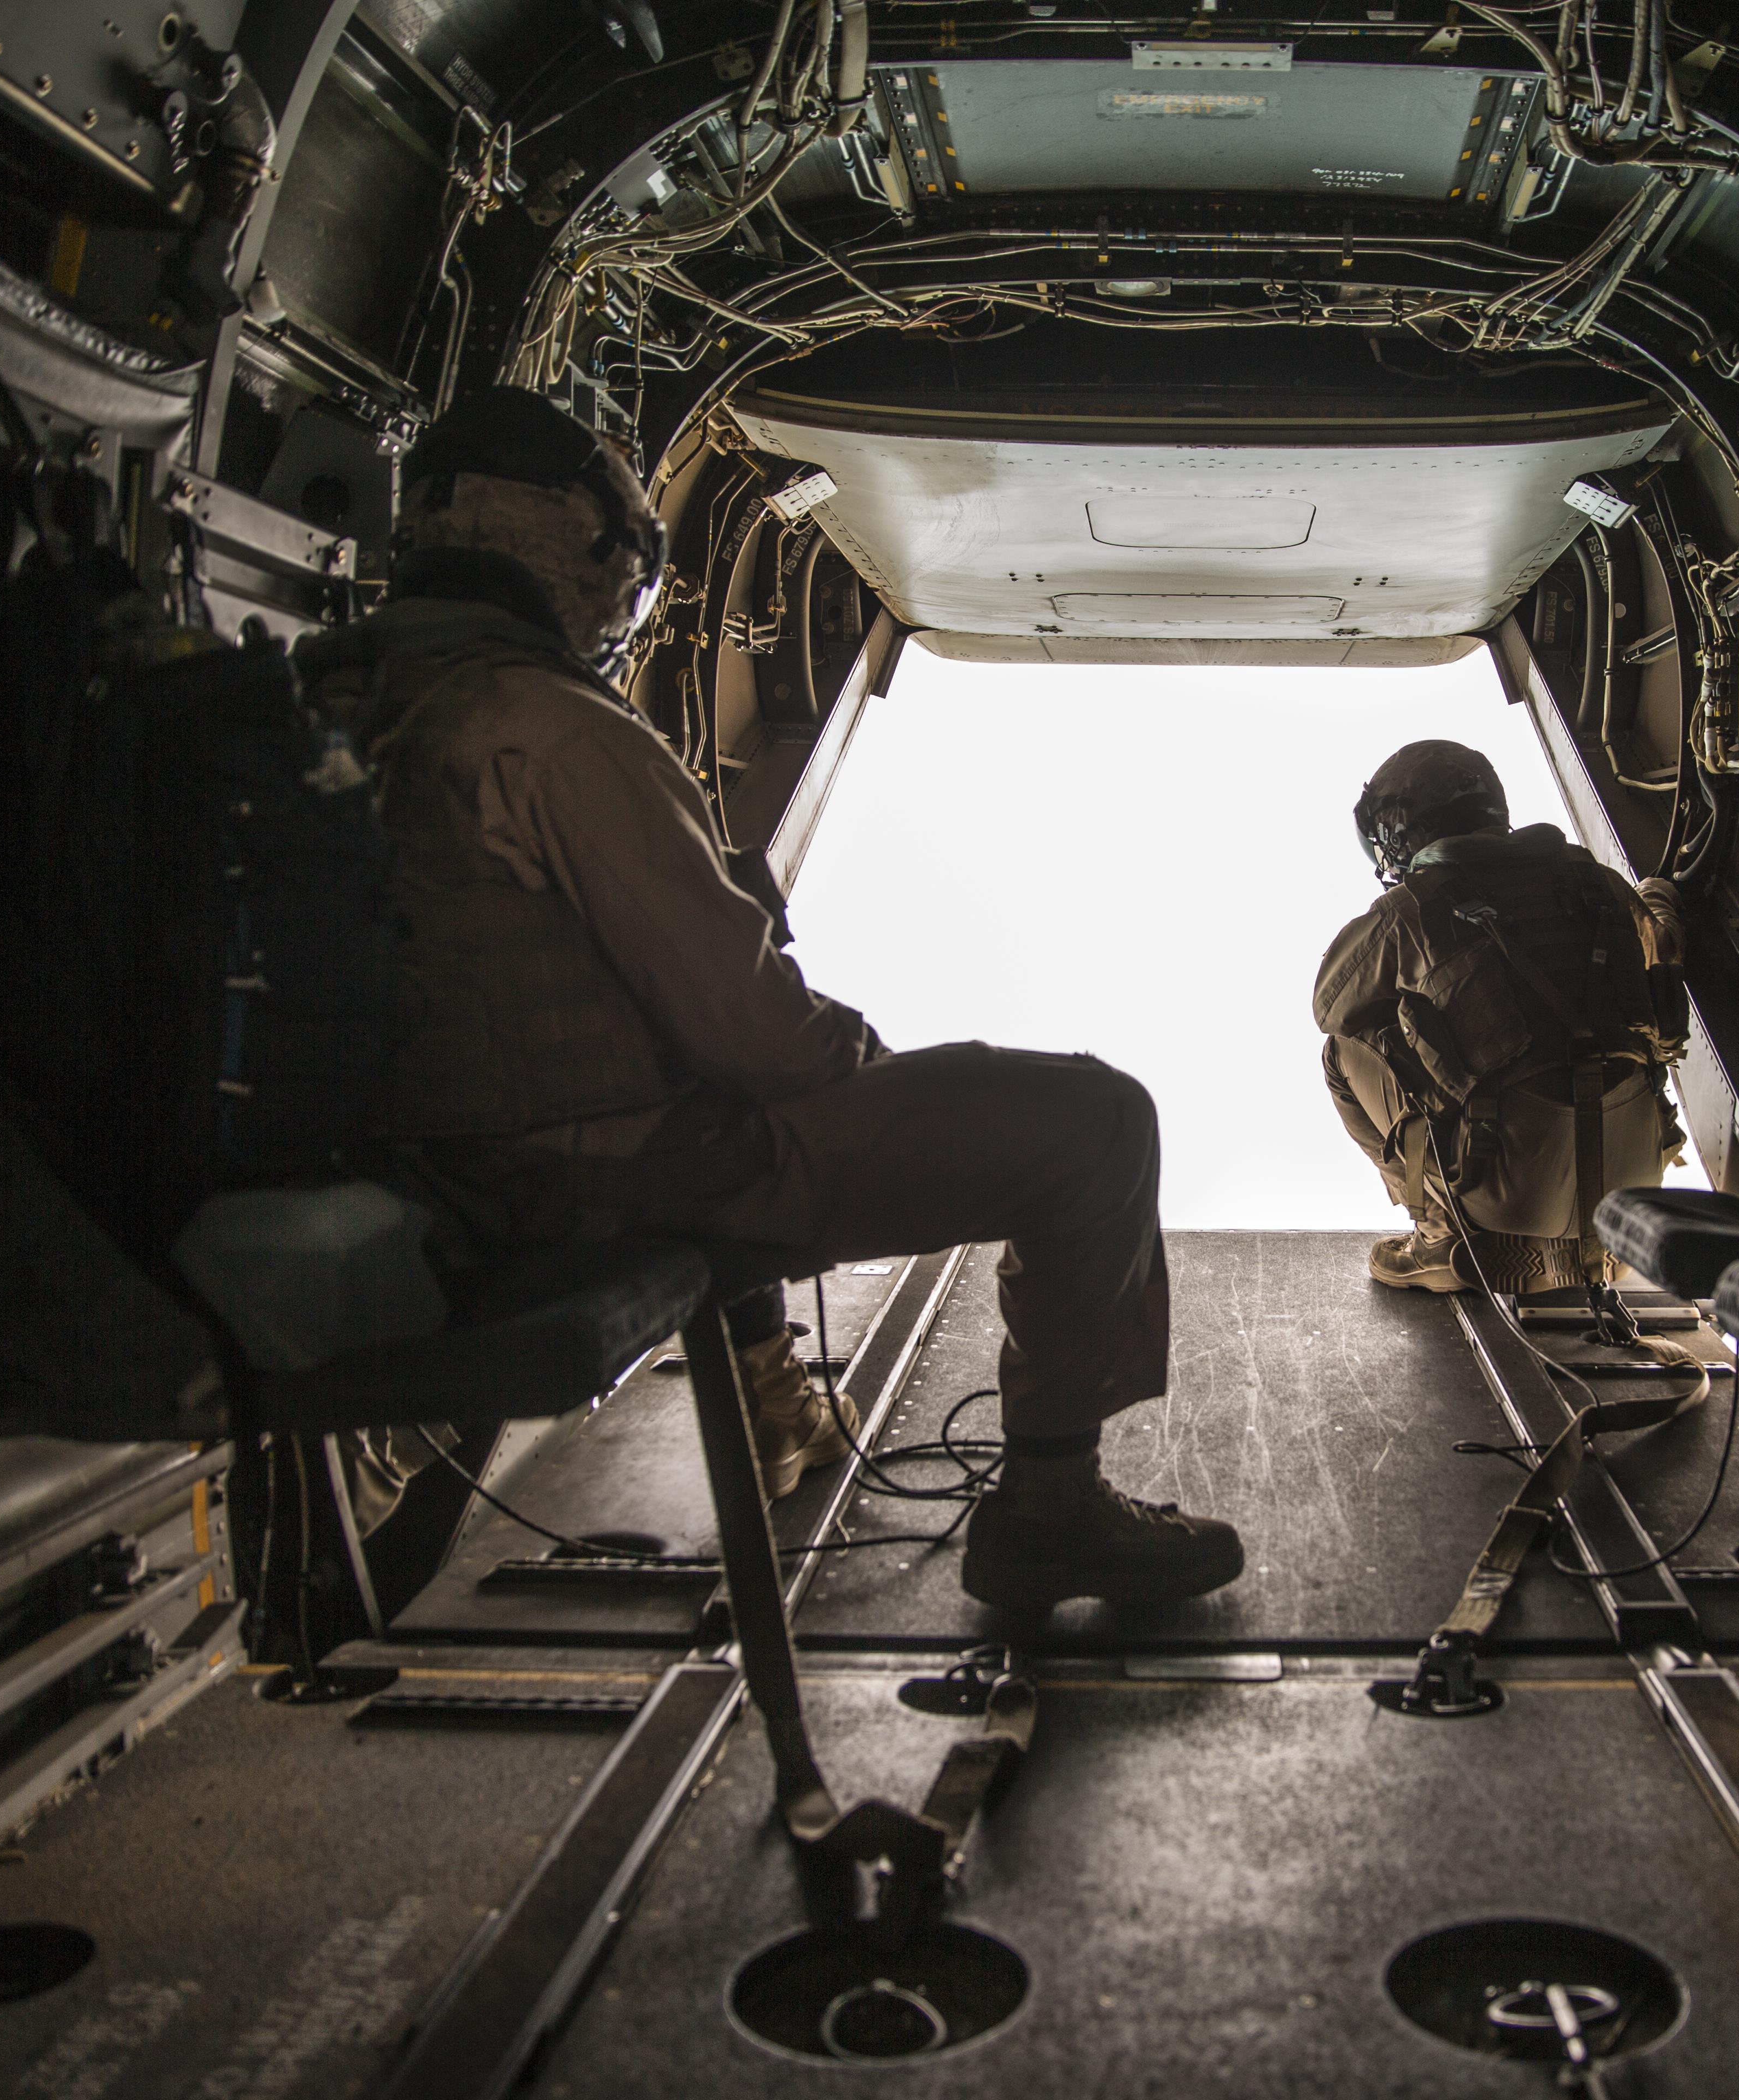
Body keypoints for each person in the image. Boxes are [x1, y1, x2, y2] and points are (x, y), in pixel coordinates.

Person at [299, 387, 1240, 1611]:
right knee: (1094, 1125)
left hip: (431, 1182)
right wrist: (887, 1079)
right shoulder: (548, 729)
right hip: (598, 1185)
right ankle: (1050, 1514)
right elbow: (752, 1039)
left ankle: (773, 1400)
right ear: (569, 543)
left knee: (732, 1111)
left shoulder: (327, 703)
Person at [1313, 740, 1686, 1294]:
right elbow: (1662, 946)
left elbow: (1330, 1005)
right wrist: (1659, 895)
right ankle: (1584, 1245)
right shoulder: (1598, 886)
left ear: (1399, 830)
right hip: (1630, 1184)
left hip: (1505, 1182)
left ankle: (1438, 1234)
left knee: (1342, 1052)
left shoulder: (1413, 909)